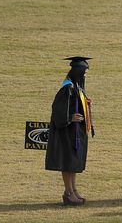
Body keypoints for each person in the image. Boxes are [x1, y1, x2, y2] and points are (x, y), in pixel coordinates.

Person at [45, 56, 93, 206]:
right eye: (84, 72)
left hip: (75, 133)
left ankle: (73, 190)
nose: (86, 75)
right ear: (78, 72)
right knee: (68, 162)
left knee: (73, 163)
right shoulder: (67, 88)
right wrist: (70, 117)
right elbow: (57, 110)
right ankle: (68, 193)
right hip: (67, 133)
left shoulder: (77, 88)